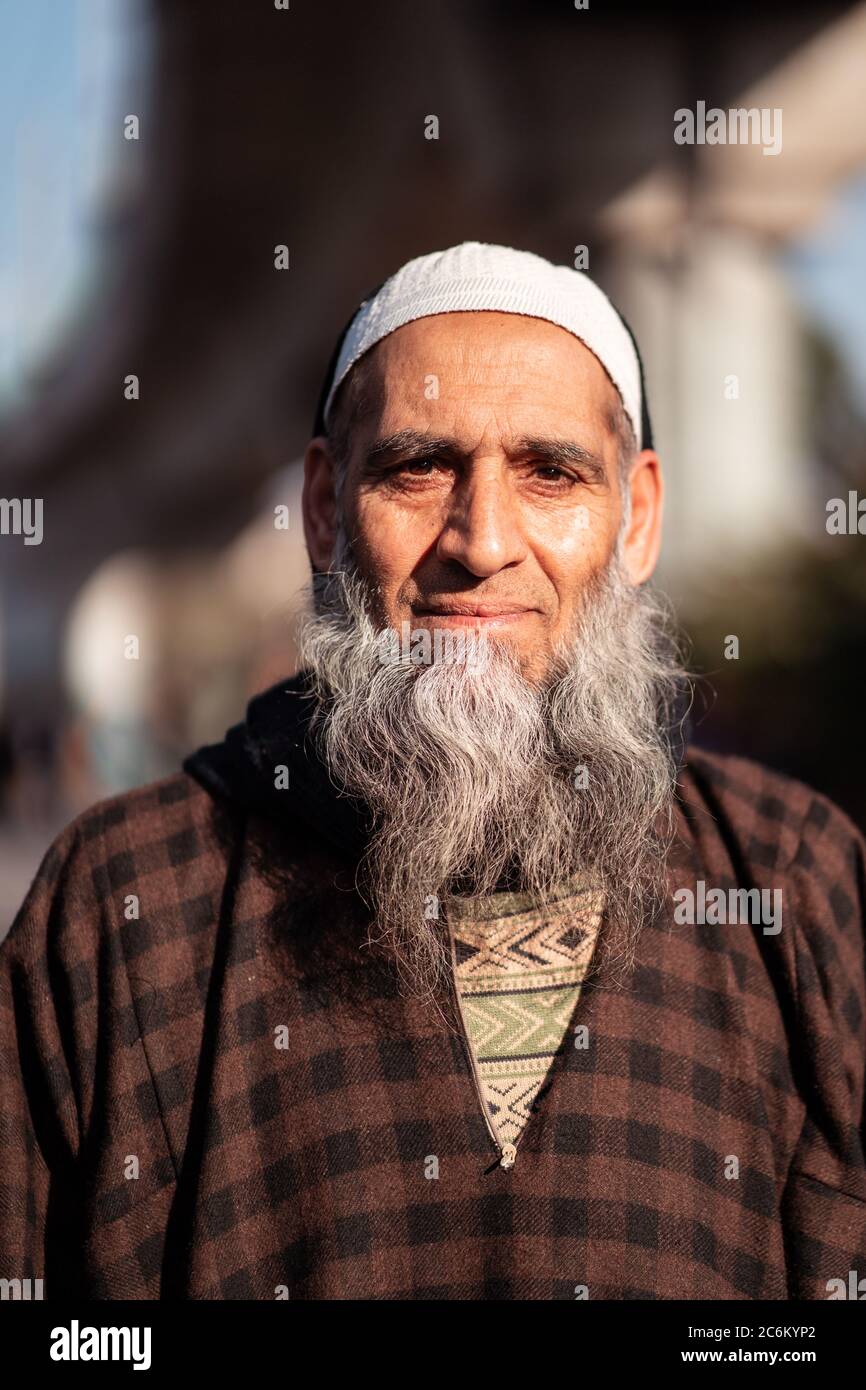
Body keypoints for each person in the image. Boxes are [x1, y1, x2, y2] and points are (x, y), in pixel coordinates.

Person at [2, 242, 864, 1301]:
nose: (481, 540)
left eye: (550, 472)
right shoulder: (123, 901)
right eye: (418, 468)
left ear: (634, 517)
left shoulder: (798, 885)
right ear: (323, 507)